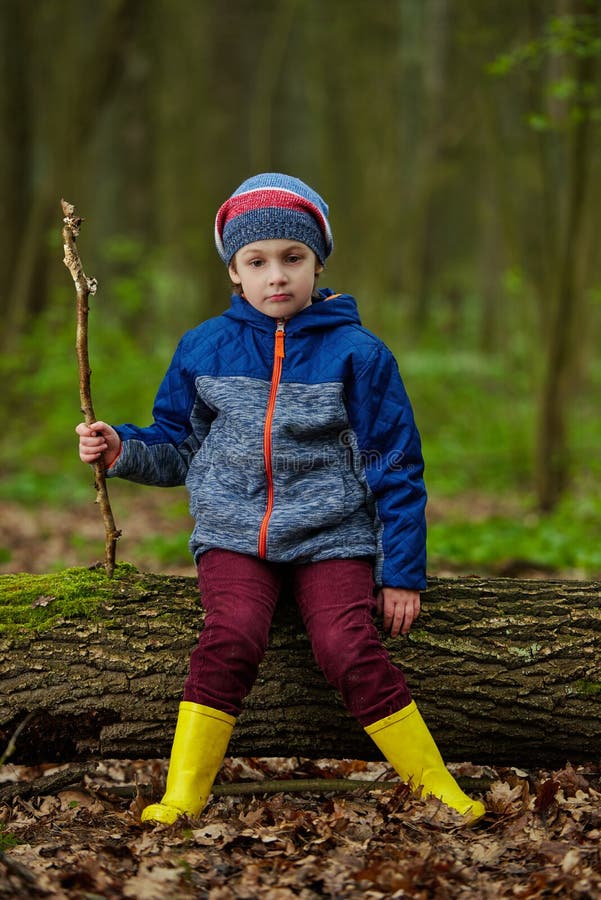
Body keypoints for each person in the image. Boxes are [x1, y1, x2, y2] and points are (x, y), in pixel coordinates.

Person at [76, 173, 485, 826]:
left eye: (292, 258)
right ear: (233, 273)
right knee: (230, 634)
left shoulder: (358, 354)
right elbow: (175, 445)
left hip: (333, 537)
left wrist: (402, 572)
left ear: (317, 261)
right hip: (234, 536)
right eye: (256, 261)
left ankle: (435, 786)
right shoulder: (204, 348)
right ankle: (182, 794)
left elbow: (395, 466)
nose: (276, 276)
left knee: (346, 645)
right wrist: (121, 449)